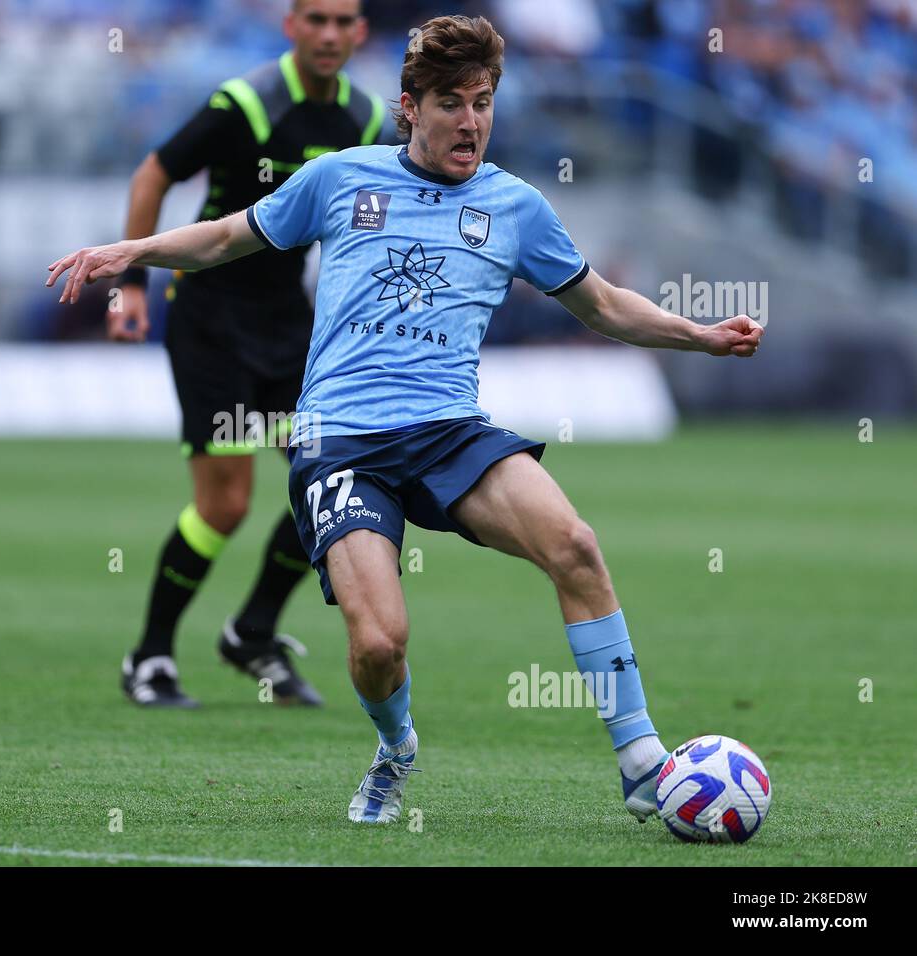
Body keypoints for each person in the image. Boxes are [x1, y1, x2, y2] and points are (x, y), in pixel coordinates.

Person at [49, 14, 763, 823]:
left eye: (484, 101)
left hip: (450, 431)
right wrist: (131, 253)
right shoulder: (340, 178)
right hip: (342, 442)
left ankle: (641, 762)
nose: (471, 121)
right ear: (411, 107)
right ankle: (395, 752)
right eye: (452, 102)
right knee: (380, 644)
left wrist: (697, 334)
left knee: (574, 545)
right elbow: (222, 239)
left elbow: (601, 305)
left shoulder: (515, 206)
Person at [110, 0, 391, 708]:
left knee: (332, 480)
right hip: (211, 322)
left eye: (343, 21)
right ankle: (148, 658)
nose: (329, 34)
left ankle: (251, 632)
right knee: (226, 506)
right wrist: (130, 288)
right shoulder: (245, 105)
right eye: (316, 19)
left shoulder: (364, 121)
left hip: (290, 326)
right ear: (290, 25)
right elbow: (154, 174)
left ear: (361, 33)